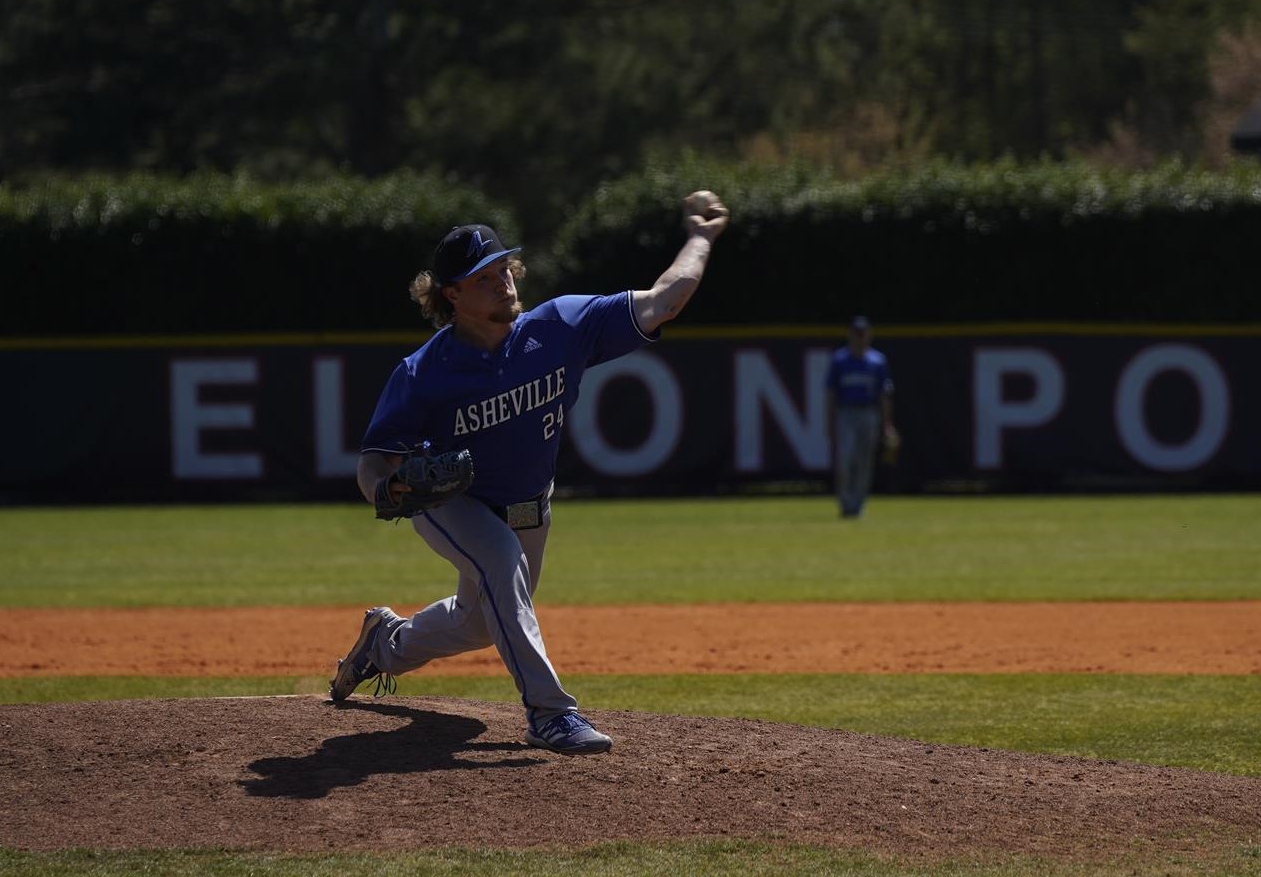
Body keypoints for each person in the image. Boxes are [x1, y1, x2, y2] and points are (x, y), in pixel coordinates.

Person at [329, 191, 730, 755]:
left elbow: (665, 300)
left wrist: (699, 238)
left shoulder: (560, 326)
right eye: (482, 276)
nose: (502, 281)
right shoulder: (424, 373)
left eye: (502, 268)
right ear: (452, 295)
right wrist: (388, 488)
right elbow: (373, 459)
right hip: (452, 502)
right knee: (499, 560)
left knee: (478, 622)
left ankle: (384, 644)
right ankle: (549, 713)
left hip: (528, 504)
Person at [825, 315, 896, 518]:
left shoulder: (877, 361)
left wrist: (887, 424)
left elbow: (884, 395)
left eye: (863, 333)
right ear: (850, 335)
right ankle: (845, 503)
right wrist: (829, 422)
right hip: (846, 412)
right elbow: (830, 393)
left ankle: (858, 504)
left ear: (868, 335)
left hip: (869, 413)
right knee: (846, 458)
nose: (860, 337)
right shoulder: (840, 360)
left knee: (865, 461)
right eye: (856, 333)